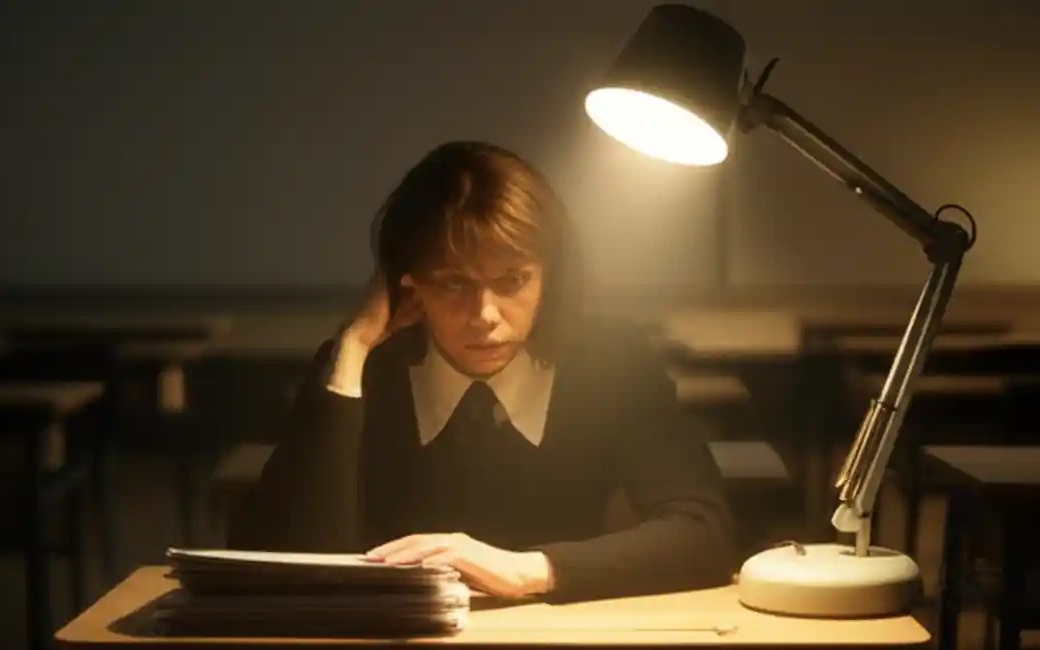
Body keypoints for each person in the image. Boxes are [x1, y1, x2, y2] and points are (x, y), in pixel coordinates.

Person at [245, 141, 735, 603]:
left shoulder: (611, 362)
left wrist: (528, 570)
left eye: (513, 280)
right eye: (454, 282)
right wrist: (353, 345)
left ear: (551, 276)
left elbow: (705, 536)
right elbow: (286, 560)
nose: (485, 315)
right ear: (406, 283)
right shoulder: (365, 369)